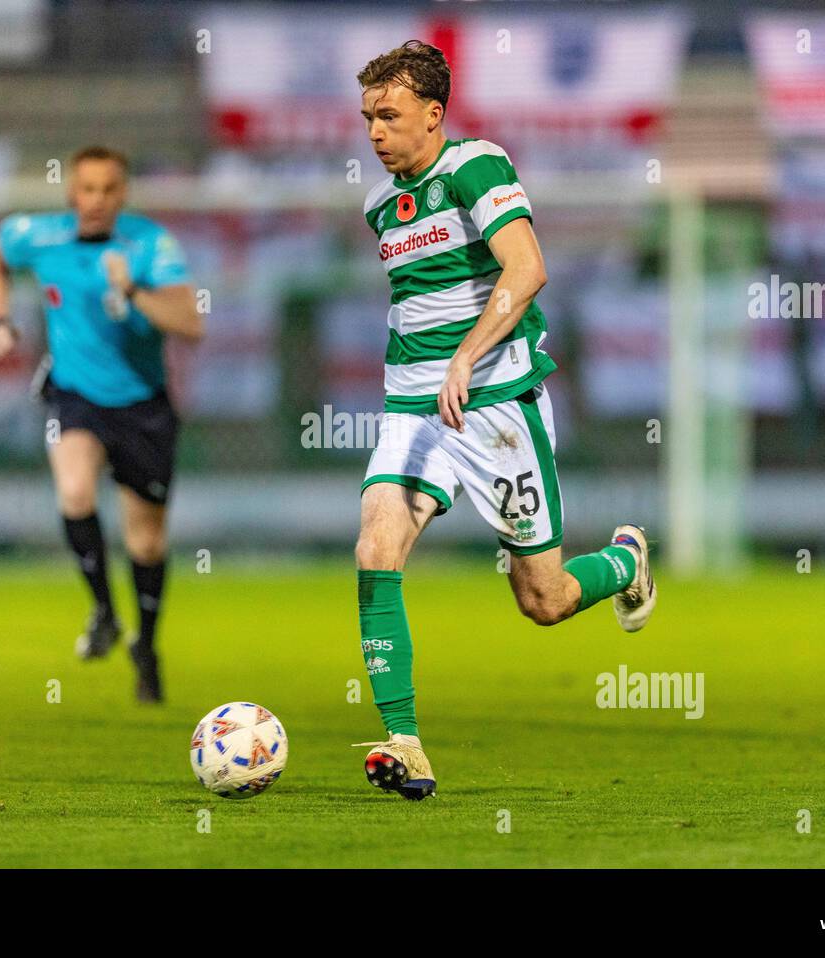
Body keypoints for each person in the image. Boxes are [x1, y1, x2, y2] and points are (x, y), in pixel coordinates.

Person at [353, 42, 657, 799]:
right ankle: (405, 742)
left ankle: (624, 562)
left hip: (495, 409)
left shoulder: (476, 166)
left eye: (388, 116)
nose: (375, 133)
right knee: (374, 548)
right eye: (366, 119)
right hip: (413, 414)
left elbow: (527, 270)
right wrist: (425, 375)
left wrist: (466, 357)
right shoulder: (378, 206)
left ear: (433, 113)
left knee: (543, 600)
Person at [0, 146, 202, 702]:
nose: (96, 200)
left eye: (108, 189)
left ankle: (145, 645)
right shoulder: (41, 235)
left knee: (145, 542)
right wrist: (0, 320)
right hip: (74, 397)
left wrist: (133, 291)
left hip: (143, 405)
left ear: (122, 195)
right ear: (70, 192)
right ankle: (103, 609)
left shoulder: (150, 244)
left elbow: (189, 323)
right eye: (87, 188)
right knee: (75, 492)